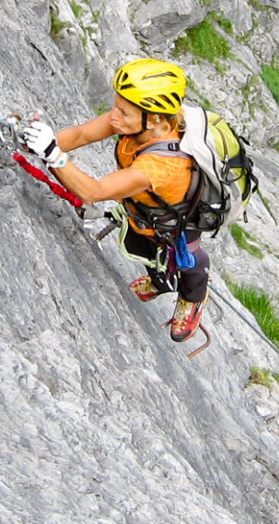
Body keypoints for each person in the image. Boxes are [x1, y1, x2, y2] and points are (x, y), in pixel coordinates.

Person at [16, 58, 210, 342]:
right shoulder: (138, 122)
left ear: (155, 118)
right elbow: (82, 134)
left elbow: (94, 192)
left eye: (124, 112)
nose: (114, 117)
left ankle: (194, 298)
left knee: (186, 260)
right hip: (141, 213)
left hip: (172, 224)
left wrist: (52, 154)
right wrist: (38, 141)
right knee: (144, 251)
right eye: (116, 106)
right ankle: (159, 282)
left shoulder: (162, 164)